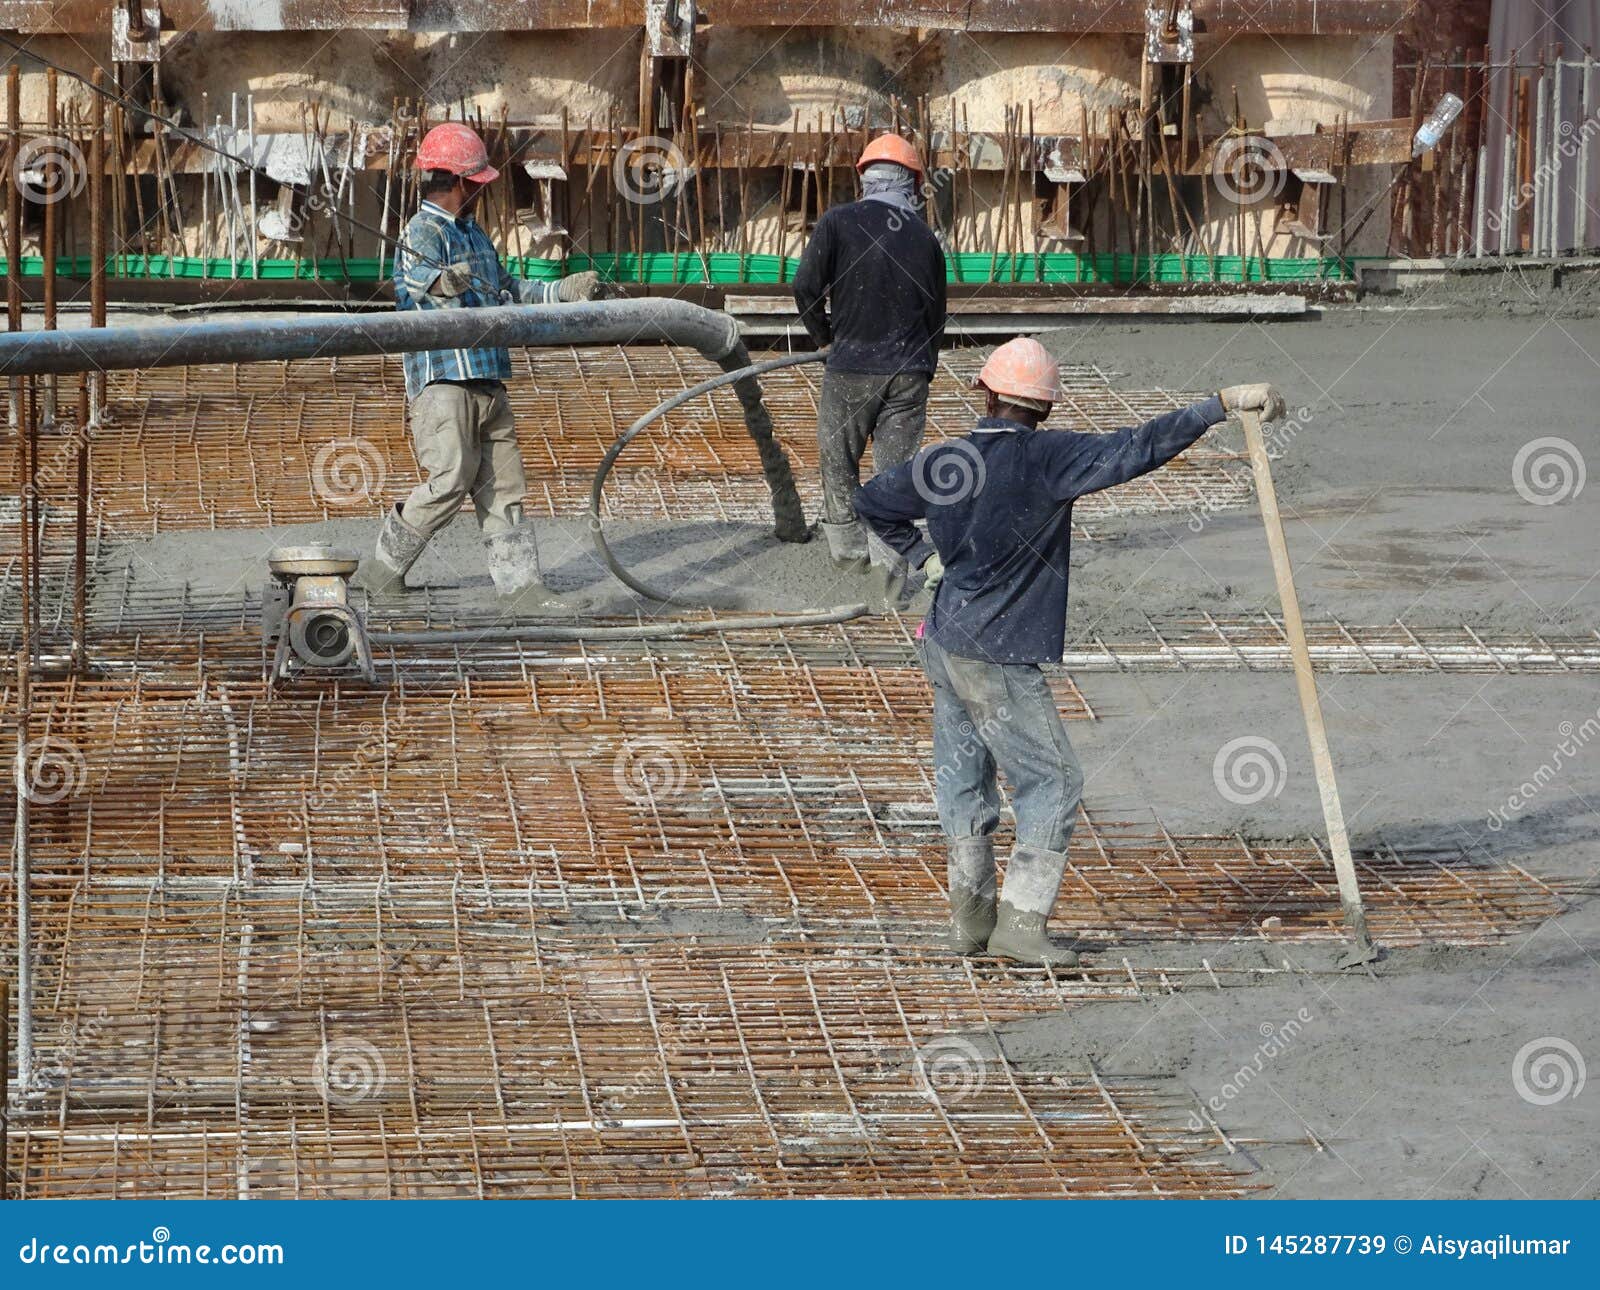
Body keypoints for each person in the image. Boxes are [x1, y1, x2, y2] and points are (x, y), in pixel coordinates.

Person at [855, 336, 1285, 965]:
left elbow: (871, 503)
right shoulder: (1050, 458)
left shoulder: (944, 459)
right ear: (1046, 408)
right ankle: (1022, 925)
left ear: (986, 392)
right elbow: (1137, 448)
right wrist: (1217, 405)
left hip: (945, 641)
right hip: (997, 652)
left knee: (965, 777)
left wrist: (925, 557)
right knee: (1053, 780)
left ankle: (969, 921)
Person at [367, 121, 605, 605]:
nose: (481, 192)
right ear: (459, 182)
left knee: (505, 487)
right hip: (444, 382)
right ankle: (380, 572)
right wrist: (443, 283)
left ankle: (521, 588)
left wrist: (561, 292)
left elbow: (508, 290)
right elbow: (417, 286)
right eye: (476, 183)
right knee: (451, 479)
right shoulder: (420, 232)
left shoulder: (474, 235)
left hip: (489, 378)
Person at [792, 132, 946, 576]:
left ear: (864, 179)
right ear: (913, 185)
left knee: (839, 459)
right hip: (909, 373)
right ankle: (889, 571)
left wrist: (825, 338)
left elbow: (805, 287)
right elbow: (936, 315)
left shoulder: (838, 222)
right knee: (893, 475)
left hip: (852, 367)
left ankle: (848, 559)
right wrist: (922, 367)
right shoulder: (925, 237)